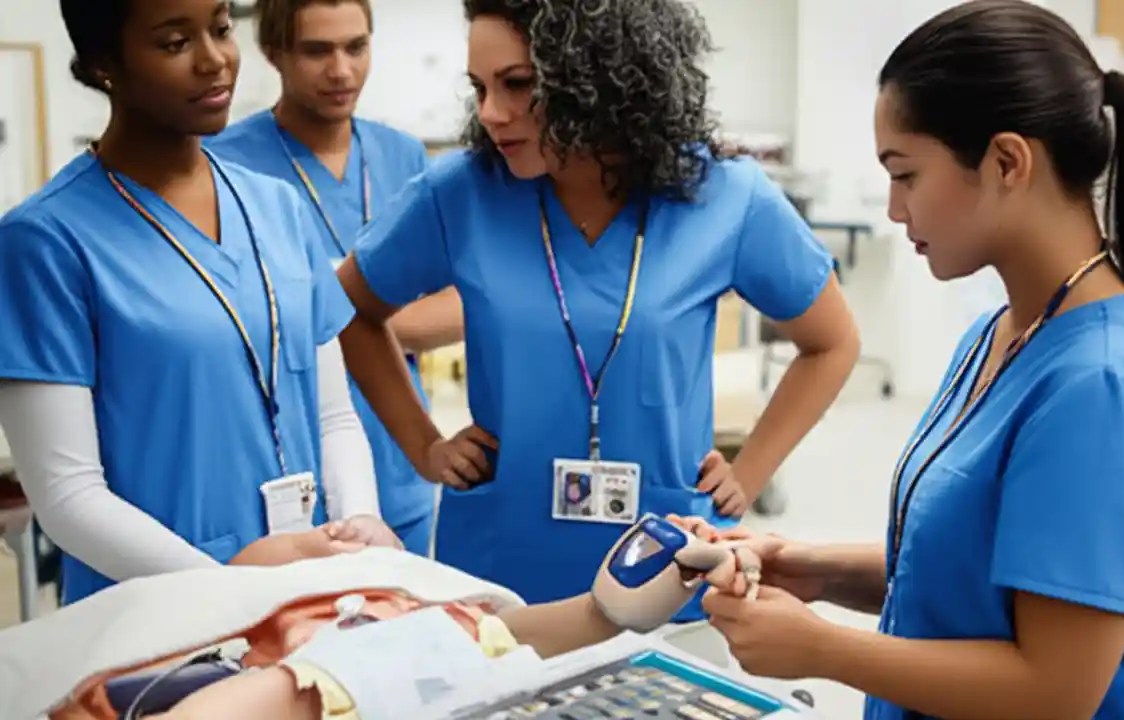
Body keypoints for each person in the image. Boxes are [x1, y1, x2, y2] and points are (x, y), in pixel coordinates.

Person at [684, 2, 1124, 718]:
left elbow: (1054, 689)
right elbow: (980, 577)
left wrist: (823, 649)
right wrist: (809, 567)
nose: (893, 208)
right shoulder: (1000, 335)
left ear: (1006, 162)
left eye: (905, 175)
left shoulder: (1104, 386)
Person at [335, 0, 861, 611]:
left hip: (666, 566)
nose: (490, 113)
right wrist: (424, 446)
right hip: (501, 566)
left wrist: (749, 473)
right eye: (479, 88)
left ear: (599, 76)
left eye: (518, 85)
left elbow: (832, 342)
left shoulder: (724, 197)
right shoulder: (462, 193)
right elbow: (351, 308)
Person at [0, 0, 400, 606]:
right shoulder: (46, 242)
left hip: (308, 595)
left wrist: (361, 524)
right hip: (151, 617)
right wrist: (231, 587)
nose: (215, 61)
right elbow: (67, 496)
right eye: (173, 43)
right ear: (105, 62)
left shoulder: (277, 207)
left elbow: (333, 415)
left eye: (219, 29)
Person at [207, 0, 465, 556]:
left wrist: (345, 319)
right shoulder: (222, 163)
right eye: (317, 51)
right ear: (272, 52)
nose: (341, 71)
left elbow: (466, 301)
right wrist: (366, 314)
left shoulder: (401, 154)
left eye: (356, 47)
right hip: (290, 470)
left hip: (401, 454)